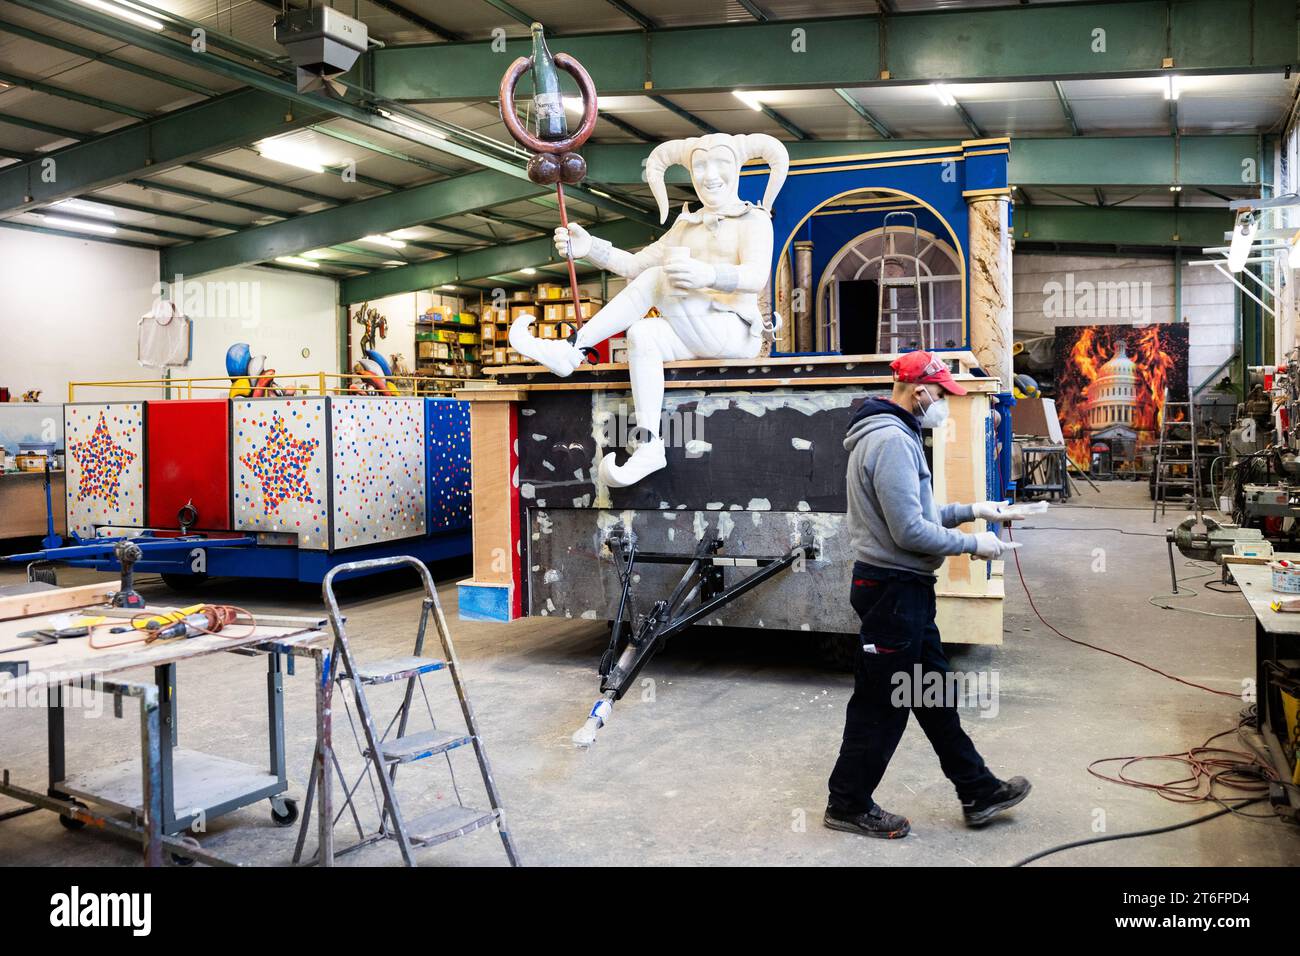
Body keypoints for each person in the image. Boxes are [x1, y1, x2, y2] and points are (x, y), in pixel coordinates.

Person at [825, 350, 1044, 839]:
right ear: (919, 390)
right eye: (941, 394)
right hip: (892, 591)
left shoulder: (895, 434)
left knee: (933, 693)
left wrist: (977, 510)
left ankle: (978, 790)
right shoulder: (891, 441)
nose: (943, 403)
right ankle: (847, 804)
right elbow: (910, 533)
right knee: (882, 704)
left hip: (905, 591)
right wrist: (976, 544)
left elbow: (918, 514)